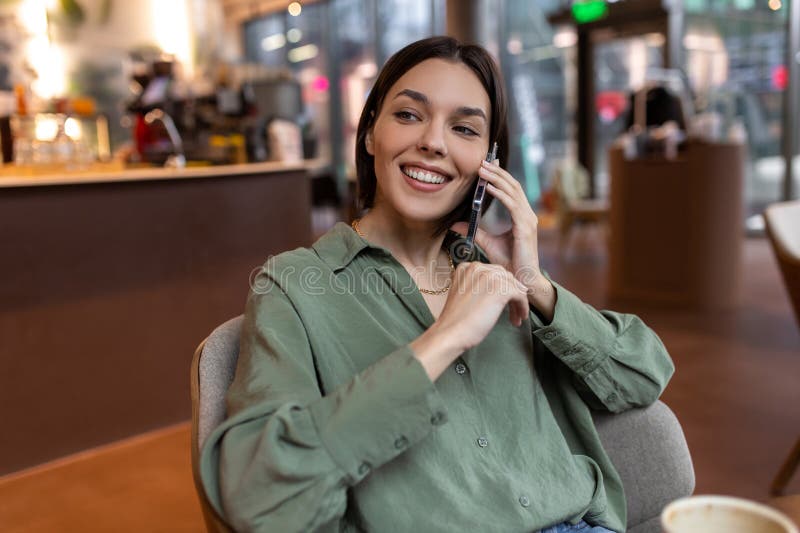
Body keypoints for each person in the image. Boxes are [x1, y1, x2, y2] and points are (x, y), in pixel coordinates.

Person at [199, 36, 674, 533]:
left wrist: (536, 285)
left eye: (464, 128)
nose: (434, 142)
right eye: (408, 115)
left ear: (489, 162)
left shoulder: (503, 273)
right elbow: (259, 496)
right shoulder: (294, 287)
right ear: (369, 134)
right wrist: (443, 340)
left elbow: (643, 375)